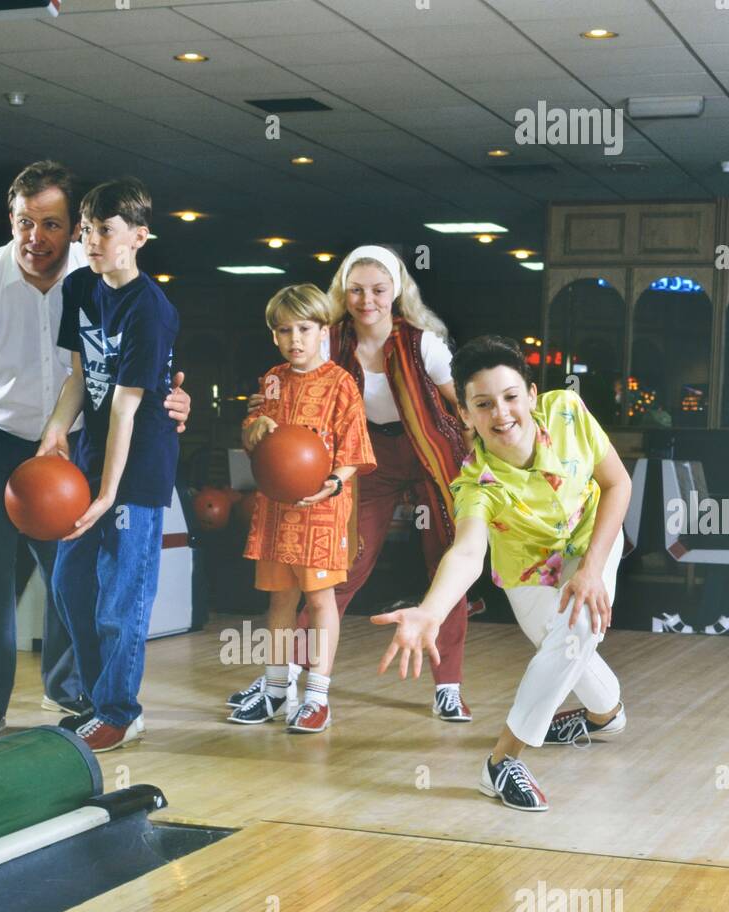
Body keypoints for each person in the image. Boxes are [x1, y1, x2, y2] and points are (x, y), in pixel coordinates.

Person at [0, 159, 190, 740]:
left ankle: (82, 693)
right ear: (11, 220)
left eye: (53, 224)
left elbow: (140, 365)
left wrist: (173, 401)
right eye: (27, 223)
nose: (39, 238)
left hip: (76, 440)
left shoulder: (97, 265)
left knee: (71, 574)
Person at [372, 335, 632, 812]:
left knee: (576, 629)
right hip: (528, 575)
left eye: (511, 397)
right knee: (572, 652)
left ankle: (501, 761)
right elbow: (468, 552)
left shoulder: (568, 411)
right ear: (466, 415)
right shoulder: (475, 484)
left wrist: (592, 569)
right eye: (484, 404)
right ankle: (604, 717)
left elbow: (617, 482)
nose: (502, 413)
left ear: (531, 397)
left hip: (592, 541)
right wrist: (431, 610)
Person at [228, 244, 472, 722]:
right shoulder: (326, 340)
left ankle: (448, 685)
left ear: (395, 292)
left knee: (448, 566)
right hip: (364, 458)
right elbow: (279, 398)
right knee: (336, 570)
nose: (366, 300)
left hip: (429, 452)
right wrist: (260, 414)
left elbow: (462, 407)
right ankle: (289, 678)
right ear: (343, 292)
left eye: (378, 290)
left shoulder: (422, 343)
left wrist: (478, 461)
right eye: (356, 290)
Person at [38, 177, 180, 753]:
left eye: (105, 230)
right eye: (86, 230)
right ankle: (101, 703)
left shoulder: (151, 309)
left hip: (139, 469)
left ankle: (120, 711)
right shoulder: (78, 288)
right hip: (93, 460)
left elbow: (126, 404)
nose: (91, 240)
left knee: (122, 598)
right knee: (70, 584)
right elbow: (79, 376)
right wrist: (54, 433)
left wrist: (106, 494)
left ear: (139, 237)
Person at [229, 283, 376, 733]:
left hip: (322, 508)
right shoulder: (271, 379)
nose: (295, 339)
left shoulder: (341, 382)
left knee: (319, 599)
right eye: (285, 330)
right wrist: (255, 426)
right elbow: (254, 437)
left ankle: (317, 697)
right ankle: (276, 690)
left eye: (305, 329)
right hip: (277, 506)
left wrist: (332, 483)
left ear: (324, 331)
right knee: (279, 598)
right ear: (274, 335)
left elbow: (353, 450)